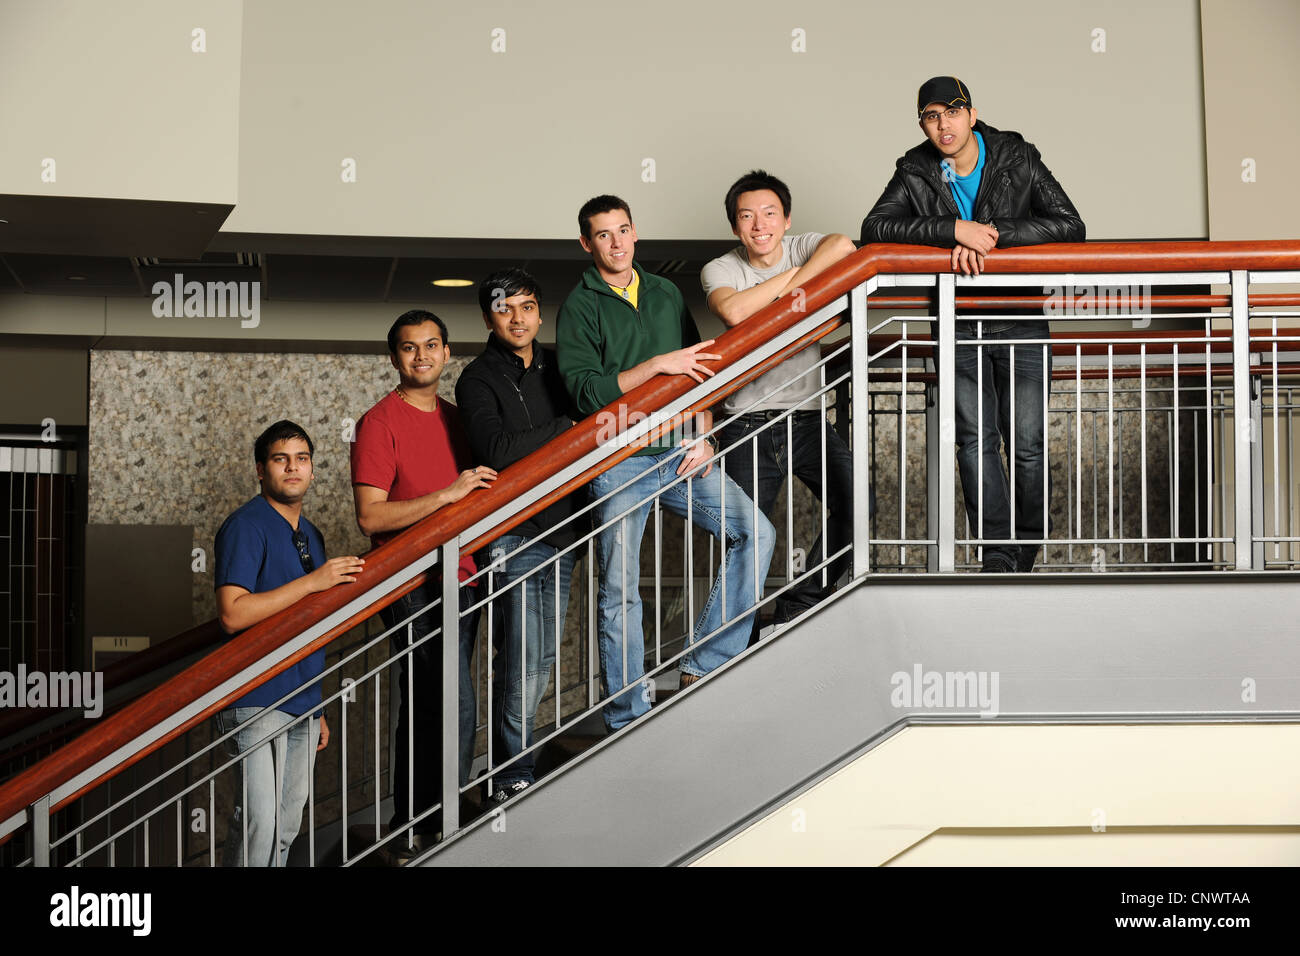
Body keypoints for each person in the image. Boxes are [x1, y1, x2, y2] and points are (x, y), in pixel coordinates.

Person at [556, 194, 774, 731]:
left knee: (757, 534)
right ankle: (629, 716)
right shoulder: (579, 305)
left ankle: (703, 664)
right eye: (604, 235)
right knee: (618, 590)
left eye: (624, 230)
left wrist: (705, 434)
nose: (617, 243)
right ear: (587, 243)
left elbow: (697, 370)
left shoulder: (665, 291)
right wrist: (656, 364)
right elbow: (586, 394)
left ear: (635, 233)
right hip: (621, 460)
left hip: (681, 451)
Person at [861, 76, 1085, 572]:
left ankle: (1027, 550)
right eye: (932, 116)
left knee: (1026, 443)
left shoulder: (1016, 156)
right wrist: (951, 231)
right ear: (923, 122)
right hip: (958, 321)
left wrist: (993, 236)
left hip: (1022, 318)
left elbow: (1071, 224)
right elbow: (874, 229)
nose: (944, 125)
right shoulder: (915, 168)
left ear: (972, 114)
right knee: (973, 441)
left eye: (953, 113)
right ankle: (998, 553)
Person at [351, 310, 496, 848]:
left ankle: (416, 820)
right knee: (449, 702)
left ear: (446, 351)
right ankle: (445, 828)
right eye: (409, 348)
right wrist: (446, 497)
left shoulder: (460, 419)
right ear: (394, 358)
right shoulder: (379, 422)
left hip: (465, 575)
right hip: (411, 583)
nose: (421, 356)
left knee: (429, 702)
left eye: (431, 345)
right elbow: (371, 516)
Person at [702, 170, 857, 626]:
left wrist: (778, 288)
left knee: (857, 506)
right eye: (747, 216)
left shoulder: (803, 245)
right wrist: (800, 284)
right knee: (749, 536)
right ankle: (734, 642)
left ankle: (799, 604)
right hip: (746, 424)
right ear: (735, 227)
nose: (760, 224)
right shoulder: (722, 267)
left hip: (808, 418)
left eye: (770, 214)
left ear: (787, 220)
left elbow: (845, 246)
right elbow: (733, 311)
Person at [455, 267, 581, 804]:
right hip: (512, 534)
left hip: (565, 527)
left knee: (541, 661)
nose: (517, 318)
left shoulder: (559, 364)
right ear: (488, 317)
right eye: (505, 309)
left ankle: (514, 768)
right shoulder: (476, 379)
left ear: (539, 312)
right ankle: (510, 776)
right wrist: (567, 429)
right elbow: (498, 453)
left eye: (527, 307)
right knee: (520, 662)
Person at [215, 420, 365, 866]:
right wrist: (314, 581)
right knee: (258, 822)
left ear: (313, 471)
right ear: (261, 470)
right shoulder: (246, 525)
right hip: (254, 696)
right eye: (281, 459)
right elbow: (233, 613)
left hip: (301, 699)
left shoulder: (311, 535)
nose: (293, 468)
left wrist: (317, 707)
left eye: (302, 459)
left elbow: (310, 623)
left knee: (285, 825)